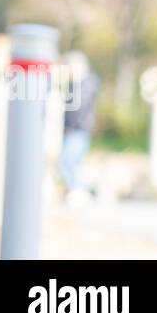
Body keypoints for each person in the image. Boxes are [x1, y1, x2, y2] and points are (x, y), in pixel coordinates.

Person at [59, 51, 100, 206]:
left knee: (67, 160)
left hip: (79, 129)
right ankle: (80, 189)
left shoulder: (84, 84)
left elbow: (77, 108)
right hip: (78, 129)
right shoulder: (83, 84)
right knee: (73, 161)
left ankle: (79, 190)